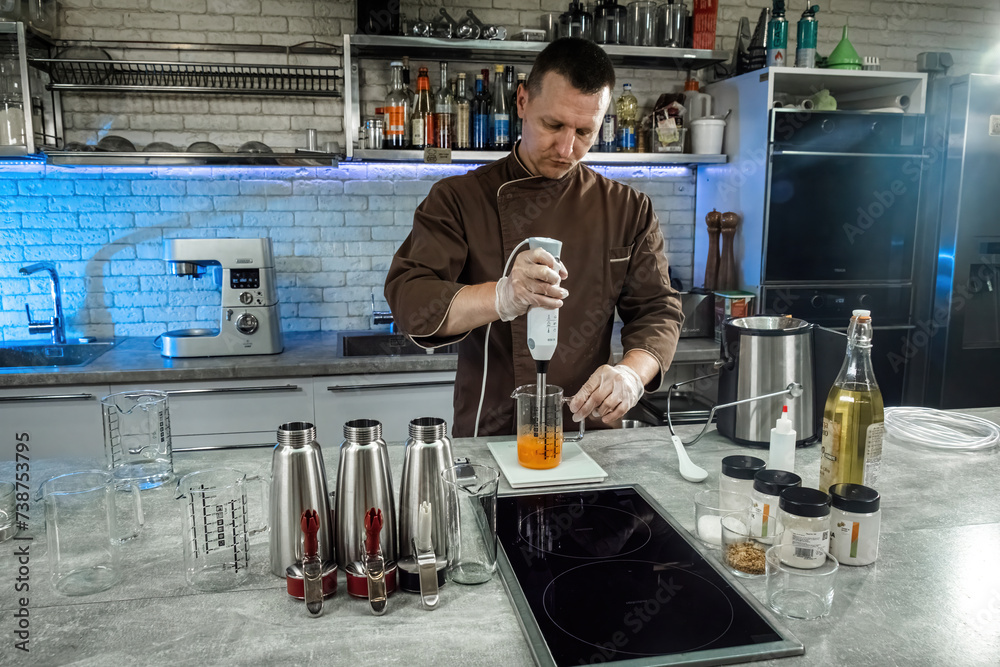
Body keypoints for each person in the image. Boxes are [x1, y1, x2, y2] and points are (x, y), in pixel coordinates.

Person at [384, 38, 683, 438]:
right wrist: (502, 296)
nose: (566, 148)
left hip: (588, 435)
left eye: (584, 132)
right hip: (489, 434)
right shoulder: (458, 199)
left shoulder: (627, 209)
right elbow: (411, 298)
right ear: (522, 102)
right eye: (553, 125)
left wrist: (631, 373)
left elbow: (658, 311)